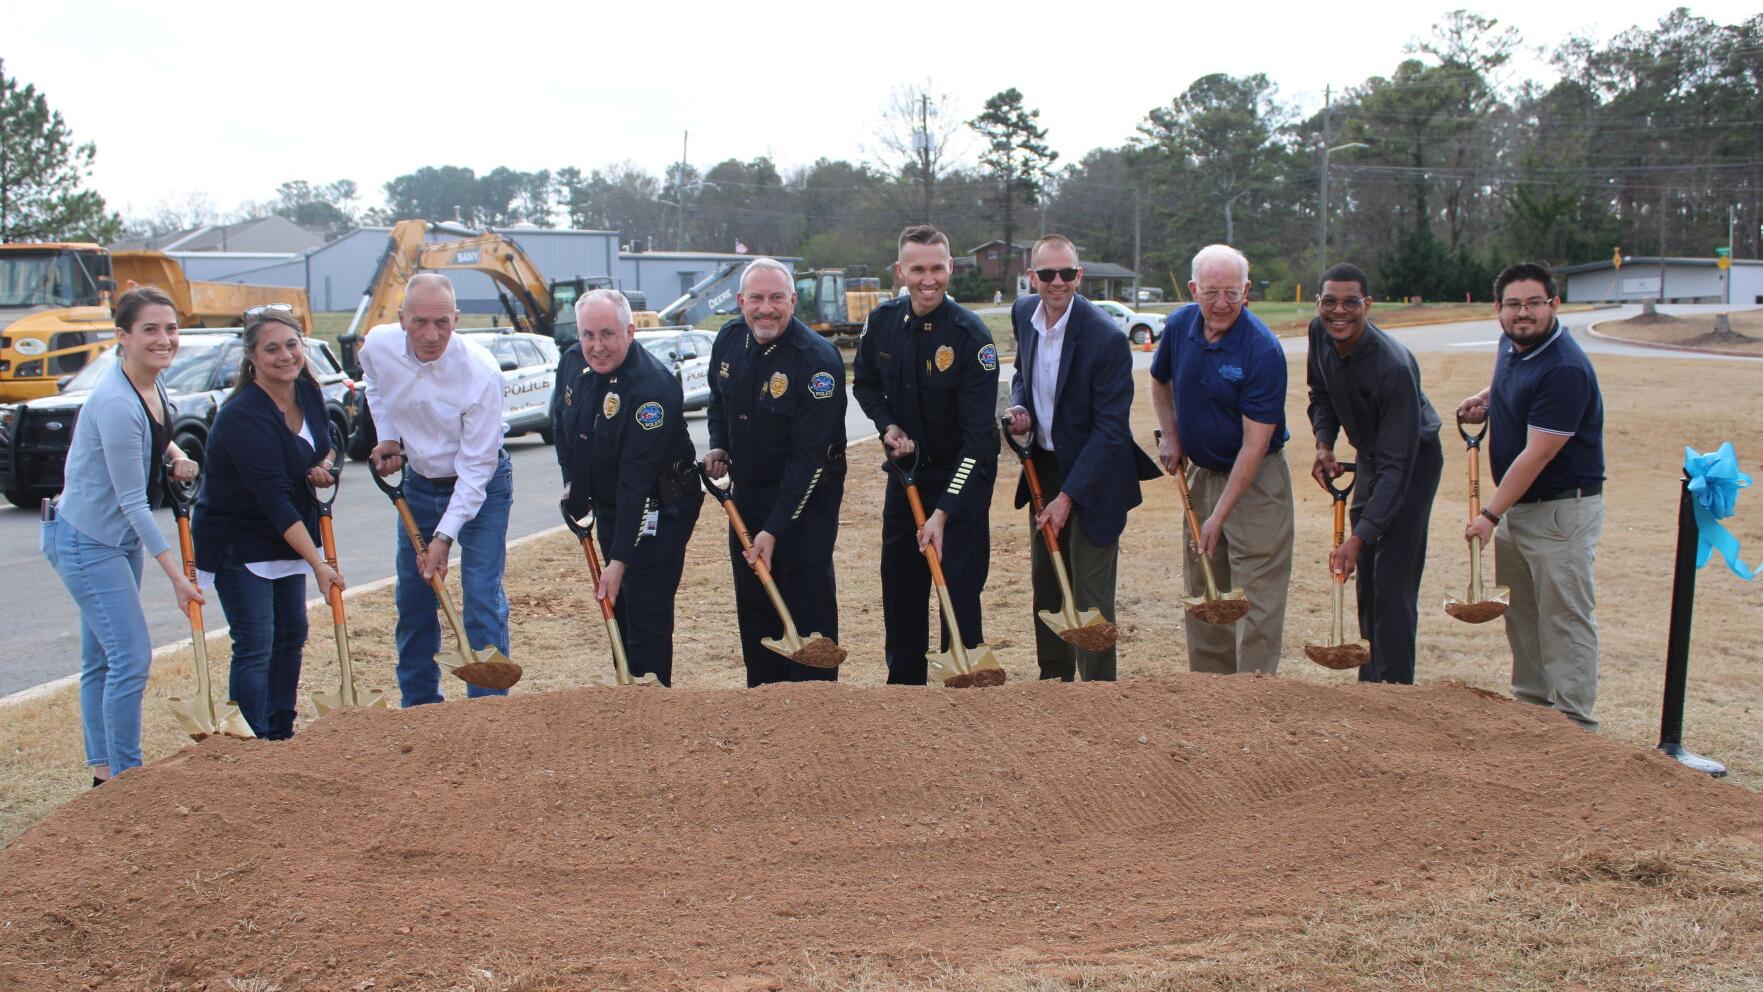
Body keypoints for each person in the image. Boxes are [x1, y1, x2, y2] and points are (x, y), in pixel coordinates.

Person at [41, 286, 203, 784]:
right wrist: (177, 577)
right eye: (150, 329)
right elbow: (133, 502)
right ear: (122, 337)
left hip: (112, 542)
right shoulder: (115, 402)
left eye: (170, 328)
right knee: (130, 659)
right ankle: (128, 781)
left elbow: (155, 435)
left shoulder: (151, 386)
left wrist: (175, 455)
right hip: (88, 542)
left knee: (102, 661)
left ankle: (104, 774)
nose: (164, 339)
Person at [1002, 235, 1159, 682]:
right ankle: (1053, 684)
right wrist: (1020, 408)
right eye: (1047, 274)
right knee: (1047, 585)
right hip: (1045, 469)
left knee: (1090, 598)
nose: (1057, 283)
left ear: (1079, 275)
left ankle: (1097, 694)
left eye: (1067, 273)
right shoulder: (1022, 314)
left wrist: (1068, 498)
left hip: (1097, 478)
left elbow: (1111, 431)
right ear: (1032, 277)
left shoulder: (1105, 338)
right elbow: (1022, 374)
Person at [1458, 261, 1605, 730]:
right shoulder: (1512, 343)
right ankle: (1532, 713)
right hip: (1519, 508)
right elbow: (1510, 379)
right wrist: (1487, 398)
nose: (1524, 313)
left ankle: (1574, 723)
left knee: (1563, 617)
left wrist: (1489, 514)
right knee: (1521, 617)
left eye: (1535, 304)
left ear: (1554, 306)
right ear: (1499, 309)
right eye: (1515, 304)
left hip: (1560, 510)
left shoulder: (1565, 368)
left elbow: (1537, 455)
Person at [852, 224, 1000, 685]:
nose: (928, 279)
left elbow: (979, 443)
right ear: (901, 271)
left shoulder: (971, 337)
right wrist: (888, 426)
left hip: (962, 482)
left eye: (938, 267)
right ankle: (905, 697)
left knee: (957, 588)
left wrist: (943, 513)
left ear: (951, 268)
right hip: (907, 478)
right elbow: (866, 384)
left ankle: (963, 689)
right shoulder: (882, 323)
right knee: (901, 589)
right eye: (918, 269)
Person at [191, 309, 346, 739]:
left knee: (291, 635)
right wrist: (318, 563)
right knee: (256, 644)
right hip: (239, 541)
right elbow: (273, 499)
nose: (285, 355)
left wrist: (325, 465)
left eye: (291, 345)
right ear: (252, 357)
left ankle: (280, 734)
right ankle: (248, 740)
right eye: (272, 348)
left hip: (285, 537)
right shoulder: (243, 416)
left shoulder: (308, 391)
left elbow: (329, 444)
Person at [360, 273, 513, 707]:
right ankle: (421, 707)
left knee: (480, 594)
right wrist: (387, 435)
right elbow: (374, 384)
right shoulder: (378, 345)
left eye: (443, 322)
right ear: (401, 318)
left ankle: (488, 707)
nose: (432, 335)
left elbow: (477, 466)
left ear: (457, 319)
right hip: (419, 484)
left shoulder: (480, 373)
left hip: (481, 486)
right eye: (420, 322)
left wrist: (444, 538)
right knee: (413, 595)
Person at [1149, 244, 1294, 675]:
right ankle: (1210, 695)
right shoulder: (1179, 327)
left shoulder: (1262, 350)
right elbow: (1160, 382)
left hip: (1257, 480)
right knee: (1205, 587)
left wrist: (1219, 516)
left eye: (1232, 293)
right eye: (1211, 292)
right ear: (1193, 289)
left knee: (1256, 595)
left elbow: (1254, 446)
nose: (1221, 304)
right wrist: (1171, 436)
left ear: (1247, 291)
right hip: (1202, 474)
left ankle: (1253, 695)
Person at [704, 258, 848, 687]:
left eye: (776, 298)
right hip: (746, 499)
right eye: (756, 298)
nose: (766, 309)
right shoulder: (729, 341)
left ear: (793, 301)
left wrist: (774, 530)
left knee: (806, 607)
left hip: (805, 505)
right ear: (740, 301)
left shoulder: (817, 362)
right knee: (755, 608)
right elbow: (718, 402)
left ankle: (816, 713)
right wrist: (719, 443)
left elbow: (809, 463)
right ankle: (764, 704)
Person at [1305, 263, 1443, 685]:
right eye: (1330, 301)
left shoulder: (1394, 368)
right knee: (1366, 578)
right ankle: (1370, 685)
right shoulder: (1319, 332)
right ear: (1319, 304)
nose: (1338, 311)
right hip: (1370, 454)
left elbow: (1397, 466)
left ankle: (1397, 690)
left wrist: (1360, 535)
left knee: (1392, 584)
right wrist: (1324, 444)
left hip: (1412, 462)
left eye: (1350, 302)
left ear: (1367, 304)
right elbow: (1321, 393)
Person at [560, 289, 701, 685]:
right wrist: (574, 488)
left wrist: (619, 560)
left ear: (630, 332)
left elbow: (636, 478)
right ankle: (627, 694)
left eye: (607, 334)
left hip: (661, 506)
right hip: (614, 506)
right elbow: (570, 431)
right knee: (618, 605)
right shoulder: (577, 365)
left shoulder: (651, 388)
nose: (597, 346)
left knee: (644, 605)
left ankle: (653, 703)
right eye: (588, 335)